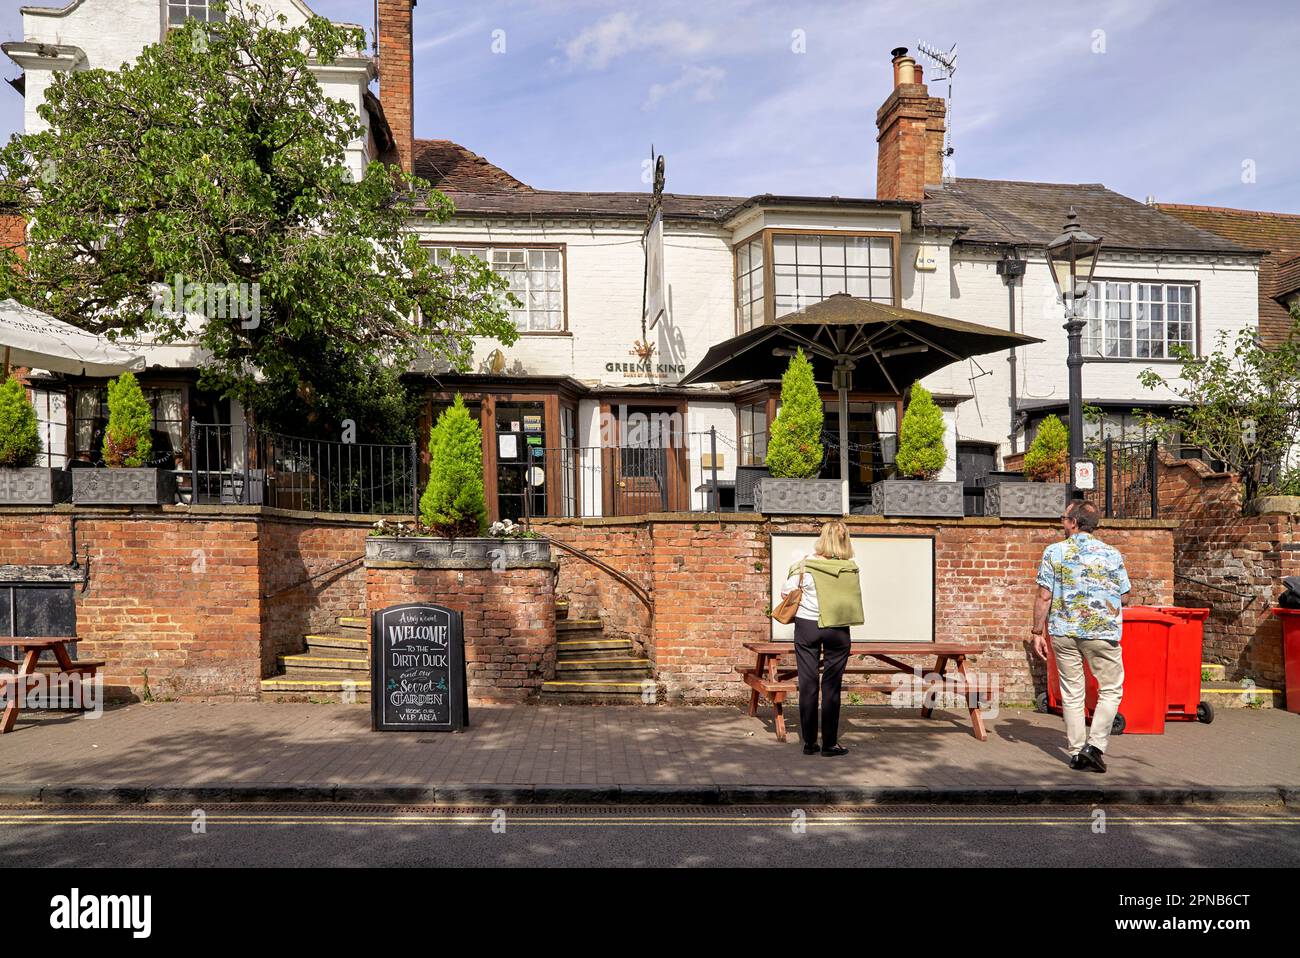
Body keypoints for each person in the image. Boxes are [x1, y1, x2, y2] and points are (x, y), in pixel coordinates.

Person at [1031, 499, 1131, 773]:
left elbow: (1044, 595)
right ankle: (1095, 747)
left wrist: (1037, 631)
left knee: (1072, 693)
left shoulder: (1054, 552)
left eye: (1063, 518)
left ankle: (1076, 752)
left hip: (1063, 632)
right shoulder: (1112, 554)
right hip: (1102, 632)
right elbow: (1123, 594)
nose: (1061, 523)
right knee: (1110, 689)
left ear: (1074, 523)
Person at [779, 520, 866, 757]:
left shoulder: (803, 566)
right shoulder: (849, 568)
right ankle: (829, 744)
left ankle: (809, 743)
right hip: (837, 628)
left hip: (807, 627)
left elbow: (786, 592)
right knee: (831, 686)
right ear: (844, 540)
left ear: (822, 538)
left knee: (808, 684)